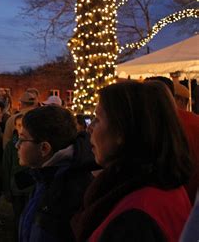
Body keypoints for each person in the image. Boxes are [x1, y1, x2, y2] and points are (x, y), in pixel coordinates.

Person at [72, 81, 192, 242]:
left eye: (98, 119)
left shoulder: (134, 218)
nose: (89, 128)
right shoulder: (163, 185)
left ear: (123, 130)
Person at [17, 105, 95, 242]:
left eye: (22, 139)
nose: (17, 145)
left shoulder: (69, 190)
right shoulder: (45, 176)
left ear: (44, 148)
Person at [2, 113, 31, 241]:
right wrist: (7, 189)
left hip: (30, 186)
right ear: (15, 127)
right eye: (18, 125)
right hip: (16, 187)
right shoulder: (11, 146)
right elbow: (6, 167)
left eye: (23, 126)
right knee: (18, 216)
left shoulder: (30, 143)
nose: (20, 128)